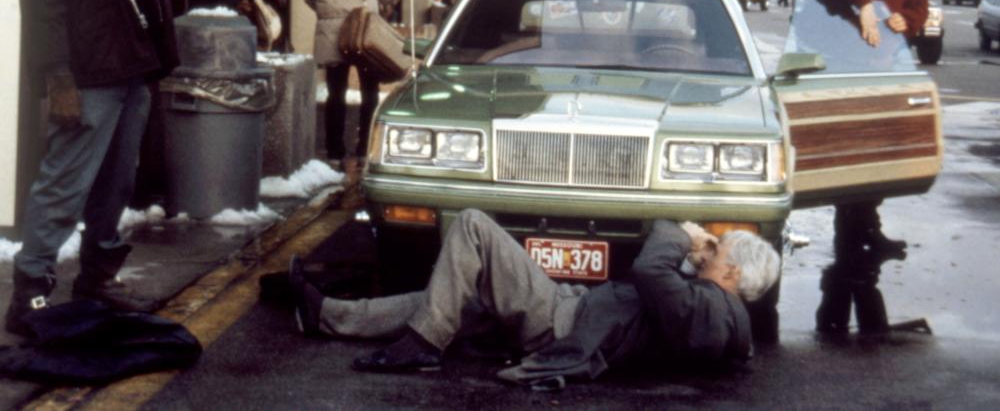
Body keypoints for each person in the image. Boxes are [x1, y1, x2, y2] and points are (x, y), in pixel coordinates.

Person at [9, 0, 178, 335]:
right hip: (88, 75)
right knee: (64, 182)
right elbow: (43, 4)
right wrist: (57, 74)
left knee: (116, 183)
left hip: (130, 69)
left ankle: (98, 278)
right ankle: (30, 291)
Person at [288, 209, 780, 384]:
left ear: (732, 272)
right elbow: (663, 297)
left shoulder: (713, 312)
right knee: (454, 298)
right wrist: (701, 254)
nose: (709, 253)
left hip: (564, 320)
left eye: (719, 252)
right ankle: (326, 314)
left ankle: (423, 345)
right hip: (573, 314)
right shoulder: (716, 315)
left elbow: (651, 271)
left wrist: (681, 234)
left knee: (473, 225)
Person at [805, 0, 928, 256]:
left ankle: (867, 229)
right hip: (842, 69)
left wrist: (909, 20)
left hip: (883, 70)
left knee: (879, 153)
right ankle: (851, 238)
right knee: (851, 153)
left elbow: (919, 4)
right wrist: (864, 4)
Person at [302, 0, 394, 167]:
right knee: (369, 91)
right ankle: (364, 149)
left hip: (330, 33)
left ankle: (335, 153)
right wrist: (378, 4)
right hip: (364, 31)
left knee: (335, 93)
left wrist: (329, 15)